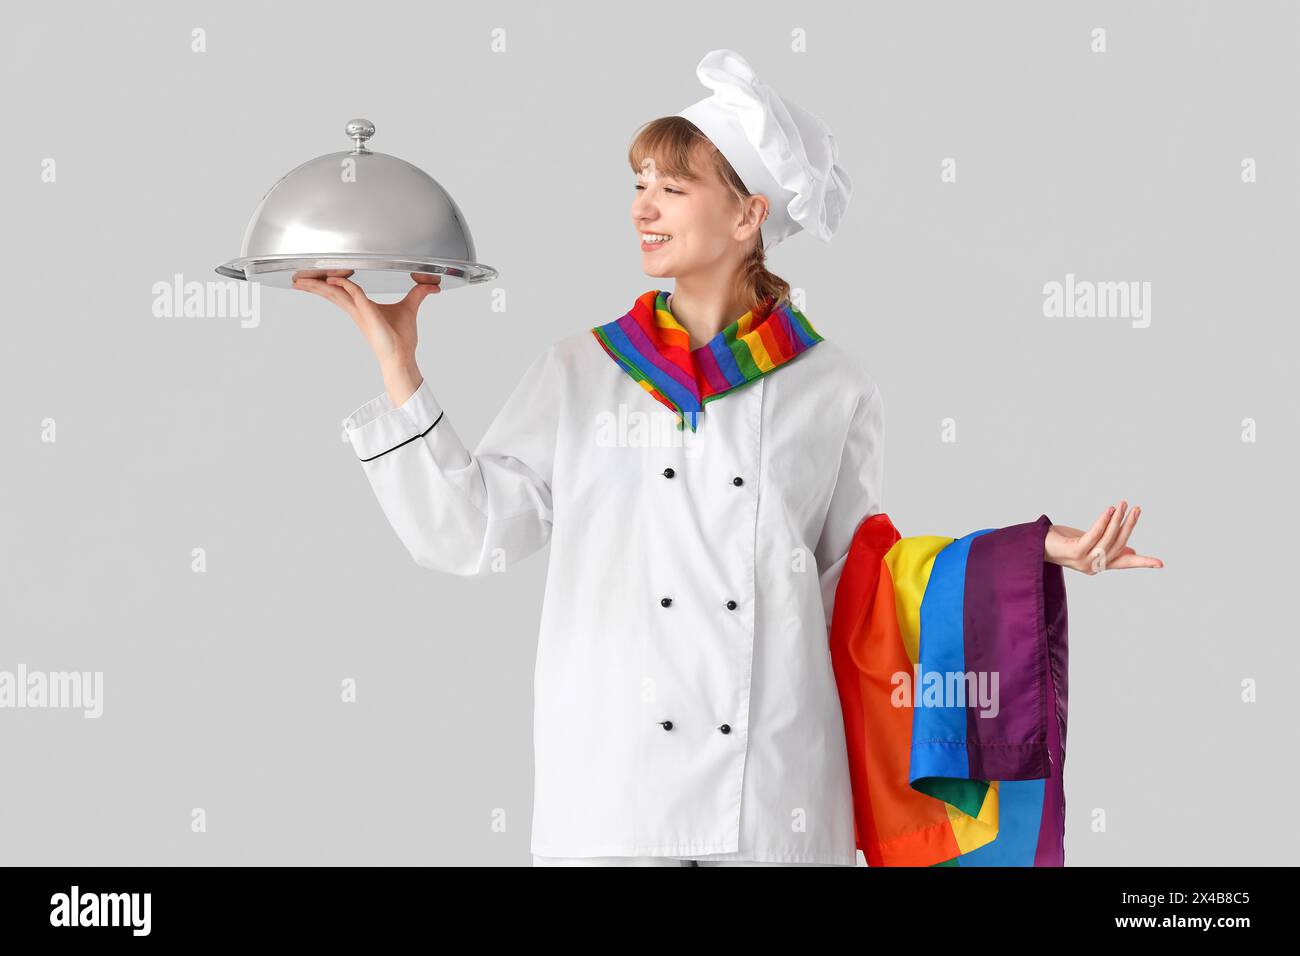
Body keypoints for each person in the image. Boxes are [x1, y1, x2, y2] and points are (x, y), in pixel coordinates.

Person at [292, 50, 1161, 867]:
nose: (642, 207)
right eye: (638, 184)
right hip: (610, 796)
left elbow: (859, 580)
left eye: (672, 187)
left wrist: (1028, 552)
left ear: (749, 217)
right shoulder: (581, 369)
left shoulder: (833, 383)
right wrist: (398, 364)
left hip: (775, 798)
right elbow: (471, 532)